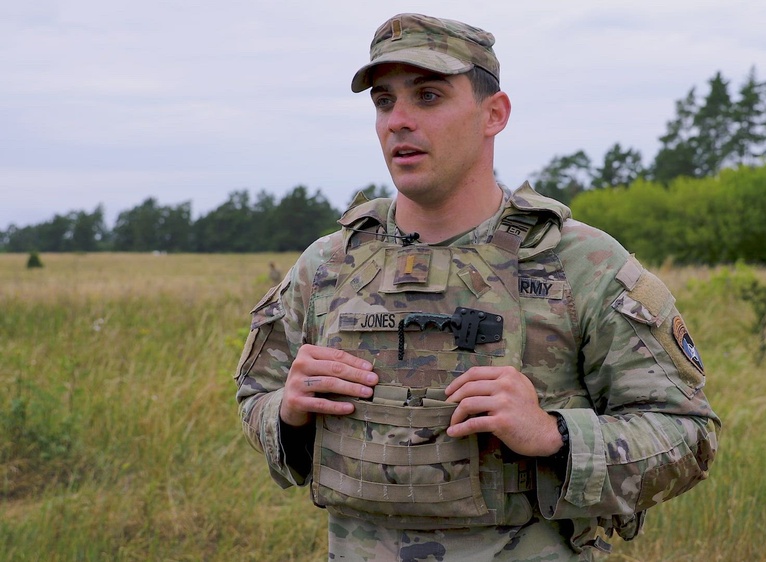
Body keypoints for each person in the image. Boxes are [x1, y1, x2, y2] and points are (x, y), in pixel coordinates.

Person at [235, 13, 720, 561]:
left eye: (428, 96)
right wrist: (287, 410)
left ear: (495, 113)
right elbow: (256, 398)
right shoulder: (326, 265)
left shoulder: (581, 264)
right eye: (384, 101)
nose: (398, 120)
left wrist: (556, 435)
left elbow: (689, 436)